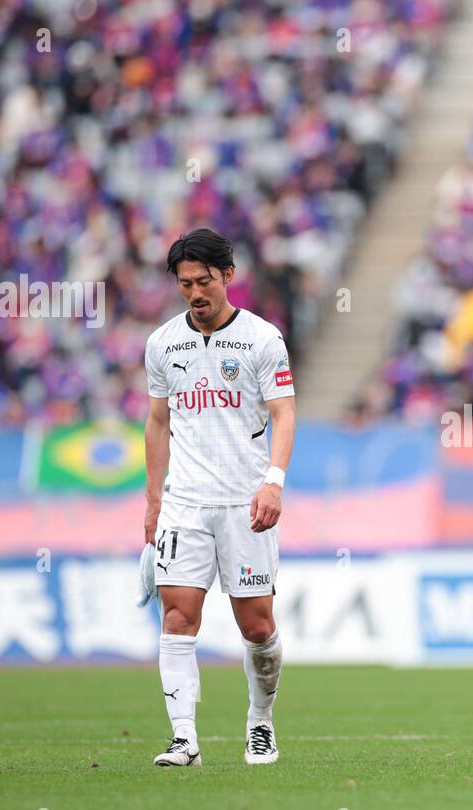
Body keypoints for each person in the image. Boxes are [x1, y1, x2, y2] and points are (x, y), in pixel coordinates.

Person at [142, 228, 297, 766]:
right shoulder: (162, 343)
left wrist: (273, 479)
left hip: (244, 503)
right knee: (178, 618)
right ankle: (184, 738)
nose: (194, 294)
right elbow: (158, 421)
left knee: (256, 624)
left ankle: (260, 722)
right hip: (185, 502)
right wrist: (152, 501)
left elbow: (284, 412)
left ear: (228, 276)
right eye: (184, 284)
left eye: (203, 281)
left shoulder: (261, 339)